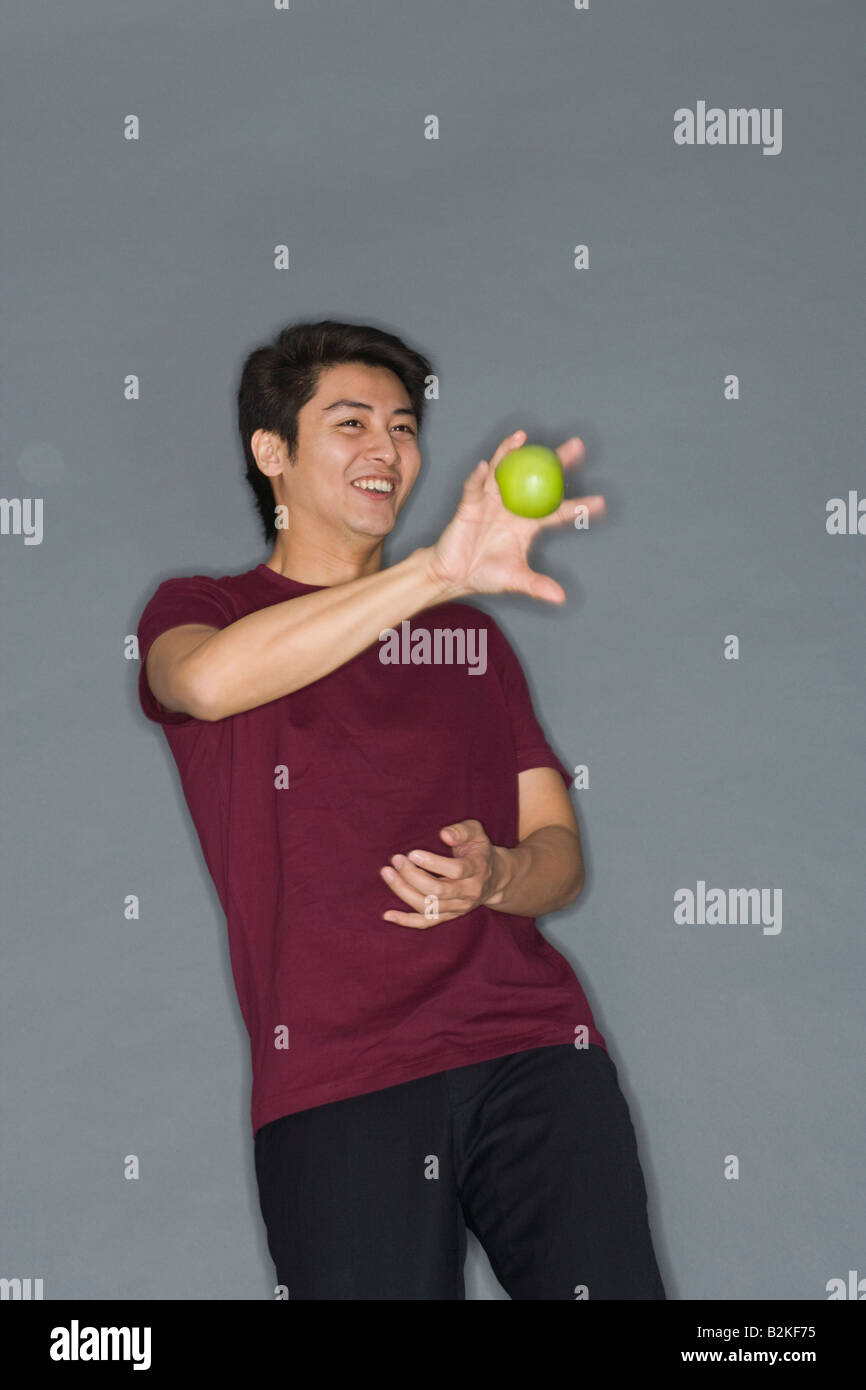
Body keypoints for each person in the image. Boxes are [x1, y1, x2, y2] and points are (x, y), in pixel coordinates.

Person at [136, 319, 666, 1301]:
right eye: (350, 423)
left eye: (403, 425)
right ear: (272, 453)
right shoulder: (199, 607)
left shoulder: (465, 639)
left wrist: (498, 874)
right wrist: (430, 573)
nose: (387, 450)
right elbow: (205, 687)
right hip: (336, 1082)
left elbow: (555, 848)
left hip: (530, 1049)